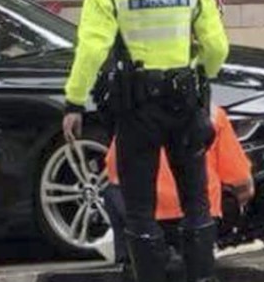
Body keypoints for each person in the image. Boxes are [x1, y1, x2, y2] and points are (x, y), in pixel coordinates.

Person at [62, 0, 230, 282]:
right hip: (184, 104)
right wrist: (202, 75)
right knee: (196, 202)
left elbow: (92, 49)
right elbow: (216, 46)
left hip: (136, 109)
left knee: (139, 207)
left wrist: (74, 101)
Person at [103, 105, 255, 266]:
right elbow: (239, 178)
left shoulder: (134, 112)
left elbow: (114, 171)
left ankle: (132, 261)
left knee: (111, 192)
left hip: (151, 217)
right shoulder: (212, 112)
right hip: (200, 214)